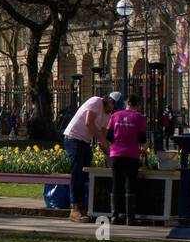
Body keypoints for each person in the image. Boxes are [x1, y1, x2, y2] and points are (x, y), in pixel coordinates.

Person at [62, 91, 115, 221]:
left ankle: (82, 206)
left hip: (84, 142)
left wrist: (109, 153)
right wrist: (103, 141)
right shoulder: (96, 101)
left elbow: (102, 135)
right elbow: (89, 123)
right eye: (115, 107)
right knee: (77, 172)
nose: (114, 110)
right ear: (110, 102)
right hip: (73, 138)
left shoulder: (108, 115)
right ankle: (75, 209)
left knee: (85, 174)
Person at [106, 92, 148, 225]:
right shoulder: (140, 117)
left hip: (116, 154)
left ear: (126, 103)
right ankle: (130, 218)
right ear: (138, 105)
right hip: (131, 154)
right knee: (130, 183)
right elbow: (142, 139)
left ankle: (114, 216)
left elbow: (108, 136)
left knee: (116, 183)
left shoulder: (115, 116)